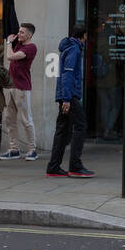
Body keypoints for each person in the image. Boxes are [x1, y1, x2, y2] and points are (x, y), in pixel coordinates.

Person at [48, 26, 93, 178]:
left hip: (65, 94)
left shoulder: (68, 47)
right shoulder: (74, 49)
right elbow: (68, 74)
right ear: (83, 36)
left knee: (63, 130)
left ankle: (53, 167)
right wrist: (67, 99)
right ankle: (75, 165)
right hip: (69, 95)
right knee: (80, 125)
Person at [0, 22, 38, 160]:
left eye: (22, 32)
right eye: (19, 31)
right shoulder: (19, 45)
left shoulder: (31, 48)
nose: (19, 34)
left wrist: (9, 42)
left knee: (26, 120)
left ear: (29, 35)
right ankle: (14, 149)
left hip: (22, 87)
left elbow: (10, 57)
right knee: (9, 119)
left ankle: (32, 149)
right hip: (10, 87)